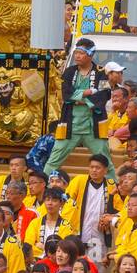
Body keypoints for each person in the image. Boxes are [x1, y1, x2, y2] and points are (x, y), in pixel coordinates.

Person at [47, 39, 113, 177]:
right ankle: (42, 184)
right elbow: (66, 94)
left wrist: (78, 99)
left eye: (81, 53)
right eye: (76, 53)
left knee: (105, 160)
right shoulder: (69, 72)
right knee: (54, 158)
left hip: (92, 125)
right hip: (71, 124)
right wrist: (86, 93)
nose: (77, 56)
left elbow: (104, 94)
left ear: (90, 55)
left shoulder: (101, 72)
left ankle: (113, 190)